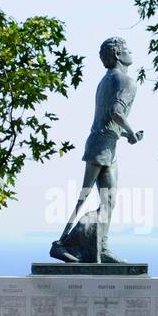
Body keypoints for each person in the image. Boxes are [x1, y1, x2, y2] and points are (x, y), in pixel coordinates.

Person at [51, 36, 143, 264]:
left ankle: (103, 246)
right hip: (101, 146)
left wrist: (126, 135)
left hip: (106, 145)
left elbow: (107, 121)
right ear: (118, 54)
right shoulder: (126, 81)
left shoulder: (105, 81)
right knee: (84, 196)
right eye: (127, 49)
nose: (131, 52)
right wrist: (131, 132)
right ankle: (60, 245)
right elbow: (116, 112)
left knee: (108, 200)